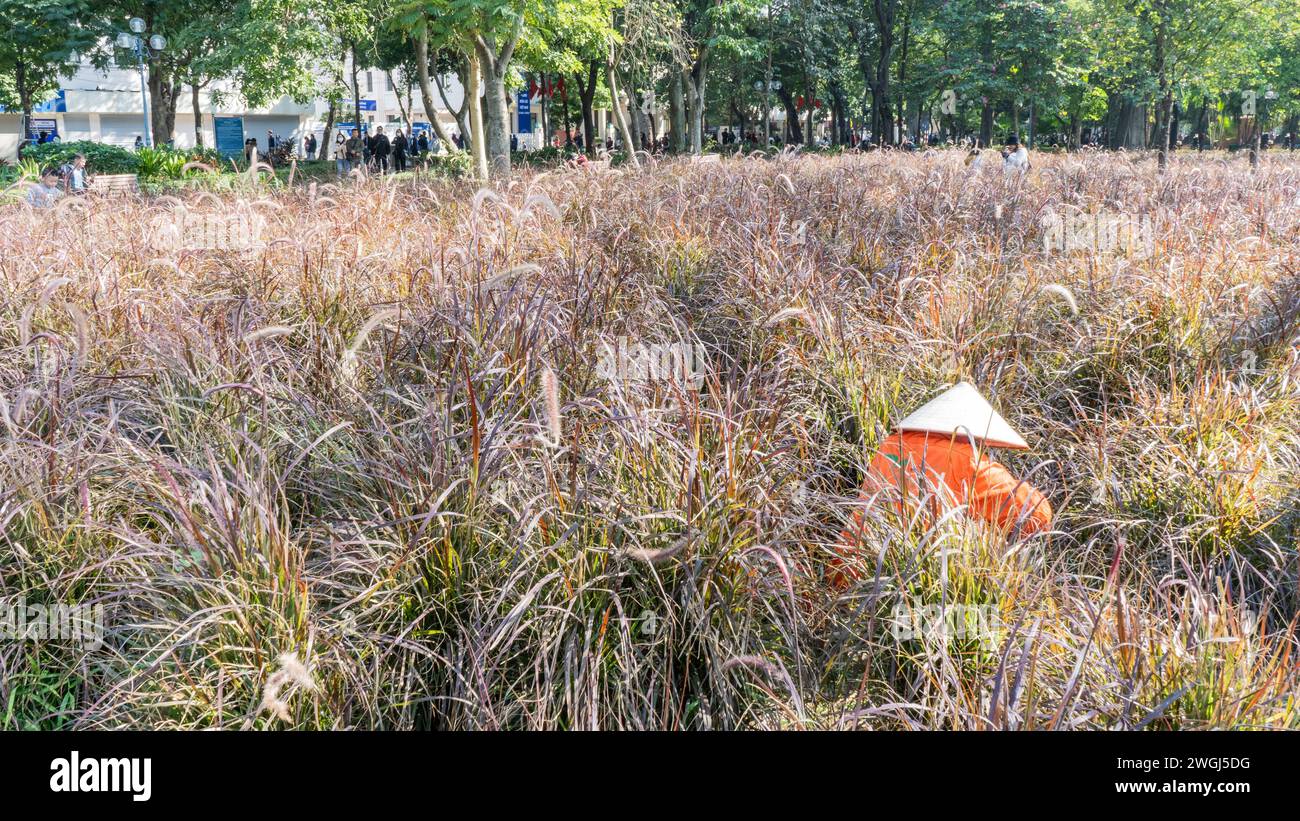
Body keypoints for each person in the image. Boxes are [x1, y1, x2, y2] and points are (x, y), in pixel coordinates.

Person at [834, 382, 1053, 586]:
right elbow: (1035, 511)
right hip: (918, 583)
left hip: (849, 568)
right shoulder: (965, 459)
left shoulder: (890, 445)